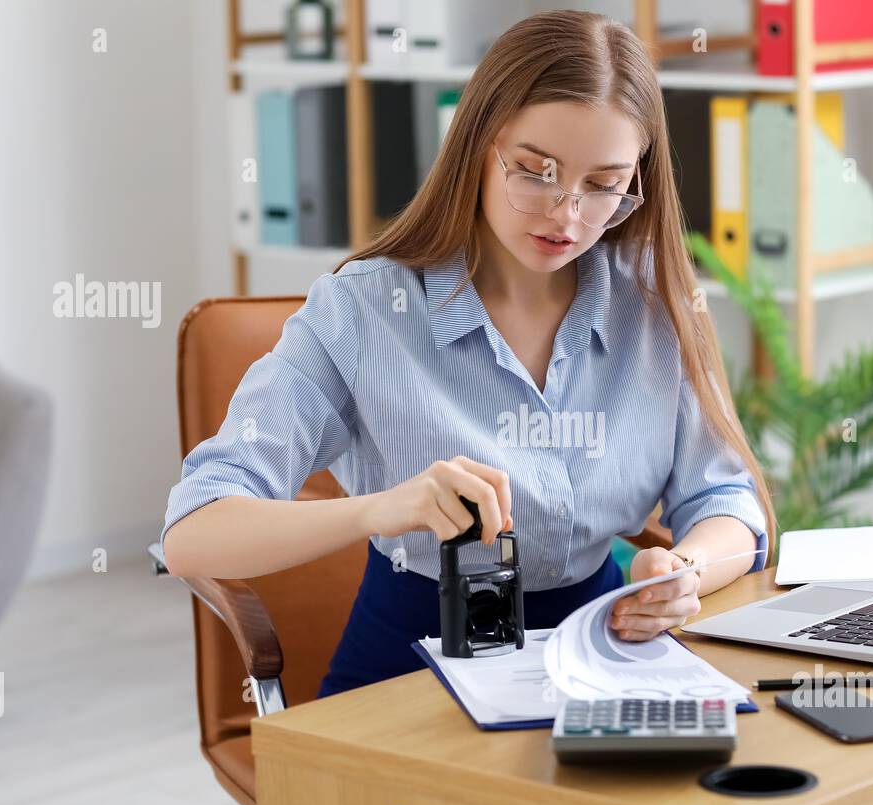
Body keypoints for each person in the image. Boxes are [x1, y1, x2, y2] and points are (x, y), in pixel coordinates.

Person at [161, 9, 776, 698]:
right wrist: (380, 509)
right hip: (407, 679)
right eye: (536, 171)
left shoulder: (655, 308)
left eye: (603, 185)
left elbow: (726, 498)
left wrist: (685, 571)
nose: (566, 215)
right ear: (477, 142)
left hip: (600, 665)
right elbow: (194, 531)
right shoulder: (363, 311)